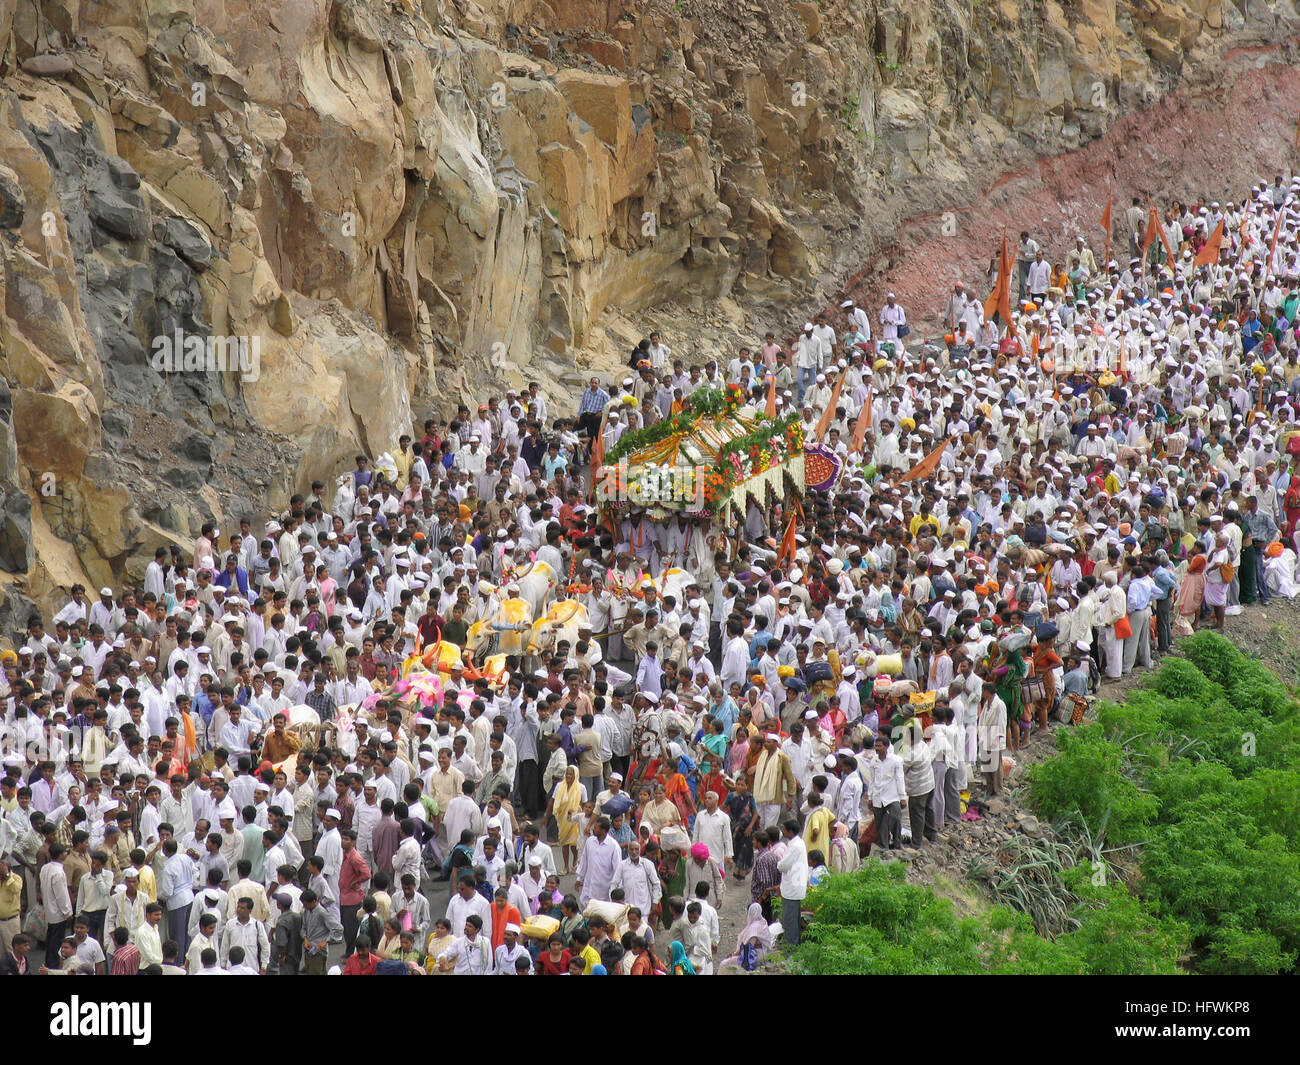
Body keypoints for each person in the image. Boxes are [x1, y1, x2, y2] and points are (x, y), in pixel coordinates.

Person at [776, 818, 808, 947]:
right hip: (795, 886)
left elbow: (783, 865)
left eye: (784, 829)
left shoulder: (795, 846)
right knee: (792, 918)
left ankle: (791, 948)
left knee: (790, 920)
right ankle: (792, 945)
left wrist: (778, 864)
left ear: (790, 831)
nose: (782, 831)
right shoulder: (797, 843)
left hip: (792, 888)